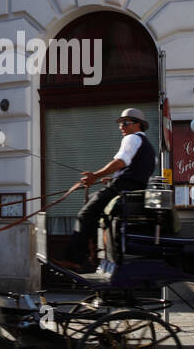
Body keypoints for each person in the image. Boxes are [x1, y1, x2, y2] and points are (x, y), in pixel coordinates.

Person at [66, 107, 156, 270]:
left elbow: (120, 162)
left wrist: (95, 176)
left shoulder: (132, 139)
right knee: (92, 204)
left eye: (125, 123)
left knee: (84, 214)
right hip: (132, 190)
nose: (121, 127)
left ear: (137, 125)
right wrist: (112, 177)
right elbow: (135, 171)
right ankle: (95, 252)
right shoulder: (148, 146)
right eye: (120, 123)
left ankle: (76, 259)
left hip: (122, 189)